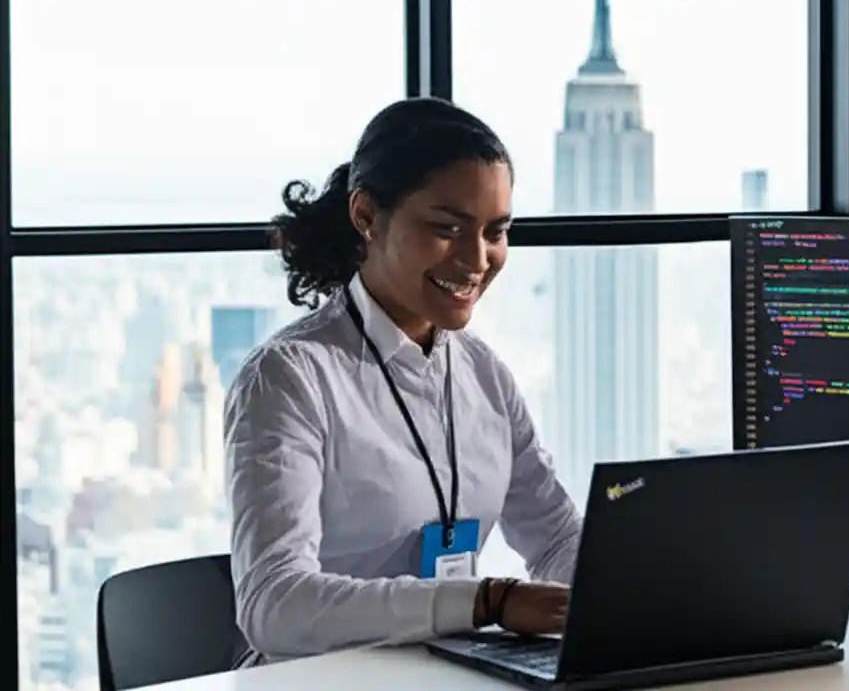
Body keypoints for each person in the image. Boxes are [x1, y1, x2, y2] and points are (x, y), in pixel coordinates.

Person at [223, 97, 581, 667]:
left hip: (450, 674)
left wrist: (640, 592)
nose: (478, 258)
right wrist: (487, 601)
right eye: (448, 229)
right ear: (366, 215)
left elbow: (556, 538)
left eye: (496, 231)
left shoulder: (483, 373)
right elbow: (275, 604)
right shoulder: (289, 377)